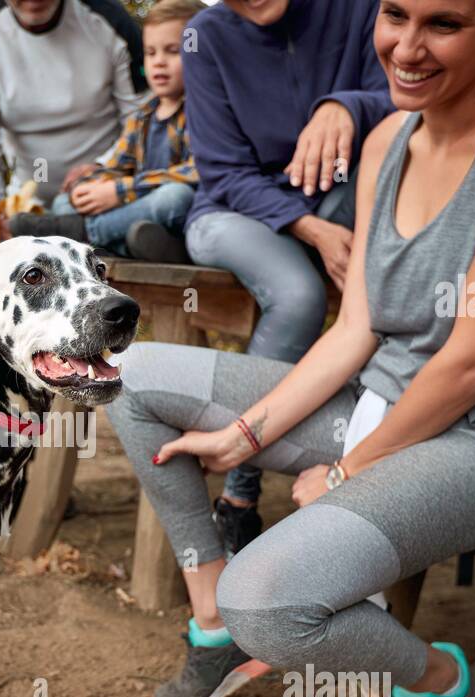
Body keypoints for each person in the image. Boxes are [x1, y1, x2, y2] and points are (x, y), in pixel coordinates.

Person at [105, 0, 475, 697]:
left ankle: (440, 687)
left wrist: (346, 471)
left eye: (443, 23)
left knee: (267, 599)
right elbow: (355, 329)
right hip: (385, 402)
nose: (405, 49)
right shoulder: (388, 142)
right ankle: (211, 623)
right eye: (394, 14)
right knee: (129, 380)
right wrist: (246, 434)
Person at [182, 0, 394, 558]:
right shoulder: (203, 38)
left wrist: (345, 106)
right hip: (232, 213)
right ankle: (239, 494)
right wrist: (316, 232)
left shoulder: (361, 11)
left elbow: (409, 98)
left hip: (340, 194)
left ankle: (371, 456)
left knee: (377, 287)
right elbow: (223, 171)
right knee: (298, 294)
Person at [6, 0, 204, 263]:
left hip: (178, 216)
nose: (159, 63)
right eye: (151, 52)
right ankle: (130, 245)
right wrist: (88, 186)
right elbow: (117, 166)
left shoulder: (200, 109)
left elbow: (197, 172)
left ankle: (88, 235)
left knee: (175, 197)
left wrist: (119, 192)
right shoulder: (143, 115)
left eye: (172, 51)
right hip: (138, 220)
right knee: (65, 203)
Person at [0, 0, 147, 212]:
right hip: (28, 207)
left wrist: (106, 166)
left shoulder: (110, 21)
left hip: (105, 197)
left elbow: (142, 119)